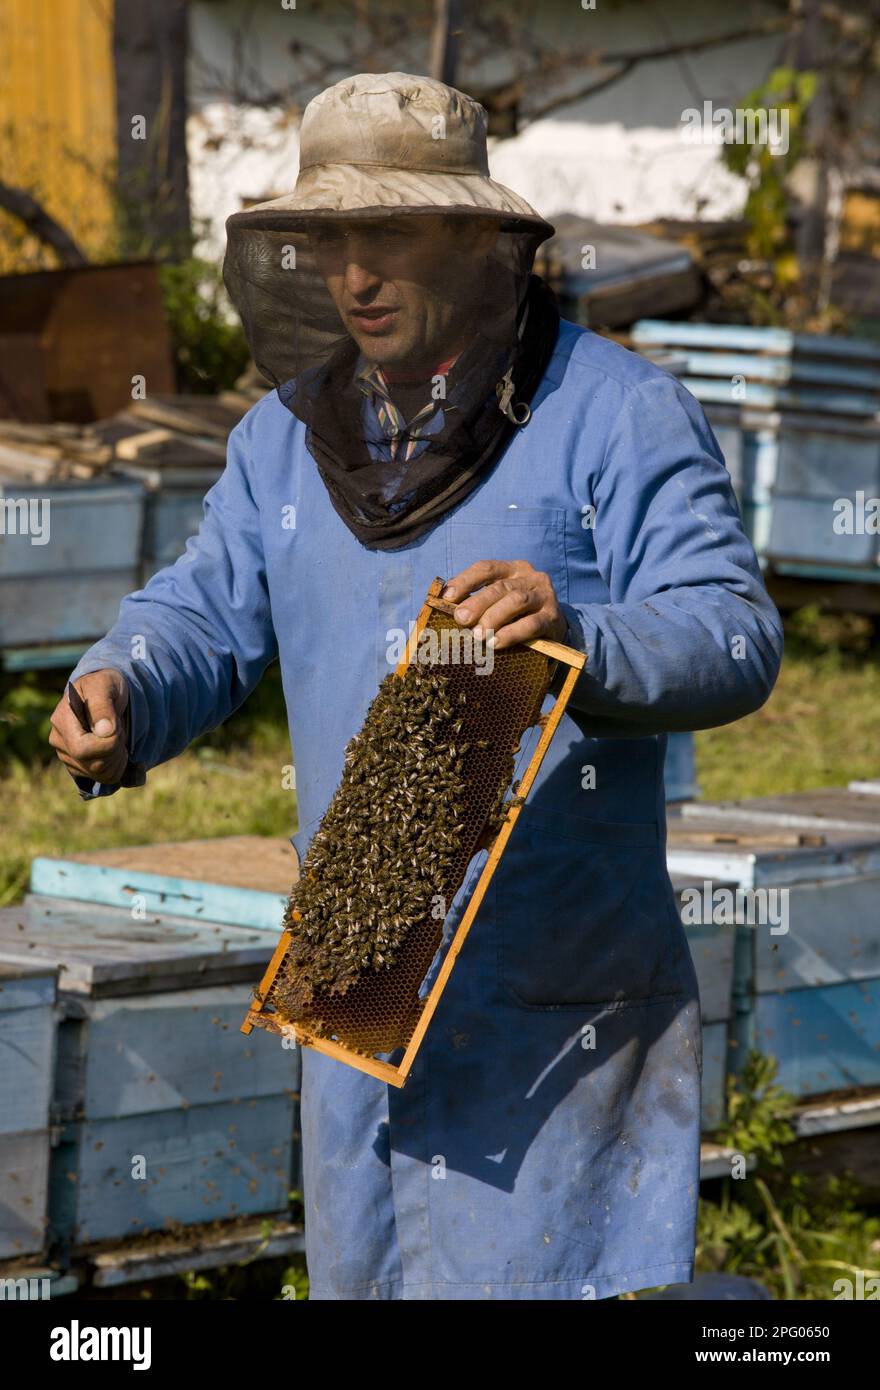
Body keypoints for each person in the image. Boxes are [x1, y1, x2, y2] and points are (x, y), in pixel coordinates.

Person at [49, 72, 783, 1301]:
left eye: (386, 234)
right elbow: (199, 612)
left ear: (477, 239)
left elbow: (732, 631)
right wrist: (118, 688)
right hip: (360, 983)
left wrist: (586, 641)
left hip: (552, 1008)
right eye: (329, 239)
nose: (354, 274)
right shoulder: (284, 438)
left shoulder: (618, 415)